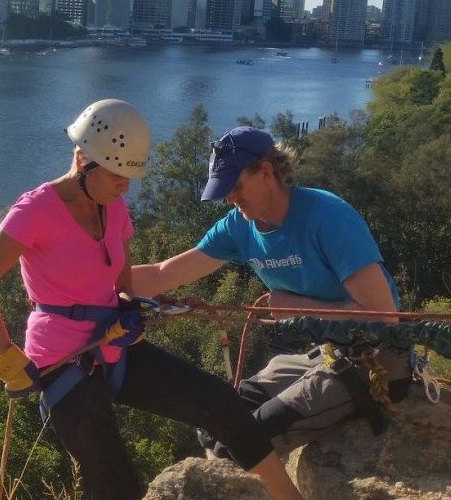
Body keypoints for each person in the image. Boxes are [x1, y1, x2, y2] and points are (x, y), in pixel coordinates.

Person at [0, 101, 302, 500]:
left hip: (115, 344)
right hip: (61, 360)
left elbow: (122, 279)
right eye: (117, 176)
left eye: (129, 177)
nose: (125, 186)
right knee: (115, 483)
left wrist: (128, 305)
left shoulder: (114, 206)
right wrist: (9, 361)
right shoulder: (35, 210)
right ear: (82, 160)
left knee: (219, 402)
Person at [132, 126, 412, 454]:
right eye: (224, 191)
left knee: (236, 445)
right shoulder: (239, 227)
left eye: (236, 186)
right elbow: (163, 274)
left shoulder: (327, 217)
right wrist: (88, 286)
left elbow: (384, 318)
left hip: (378, 362)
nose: (230, 198)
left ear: (266, 172)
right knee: (212, 422)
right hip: (329, 353)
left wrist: (298, 306)